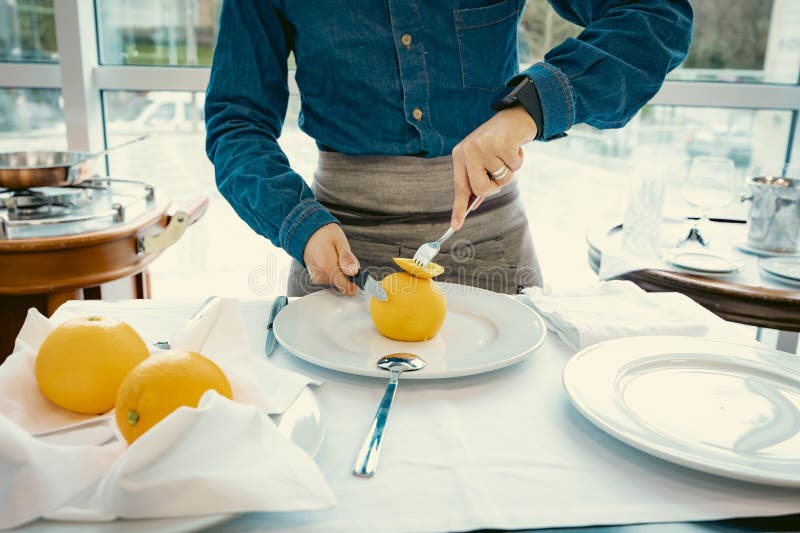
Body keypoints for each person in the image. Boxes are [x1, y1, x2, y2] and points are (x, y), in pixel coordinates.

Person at [206, 0, 692, 296]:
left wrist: (529, 108)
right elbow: (236, 120)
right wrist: (297, 224)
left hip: (494, 252)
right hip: (336, 257)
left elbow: (655, 14)